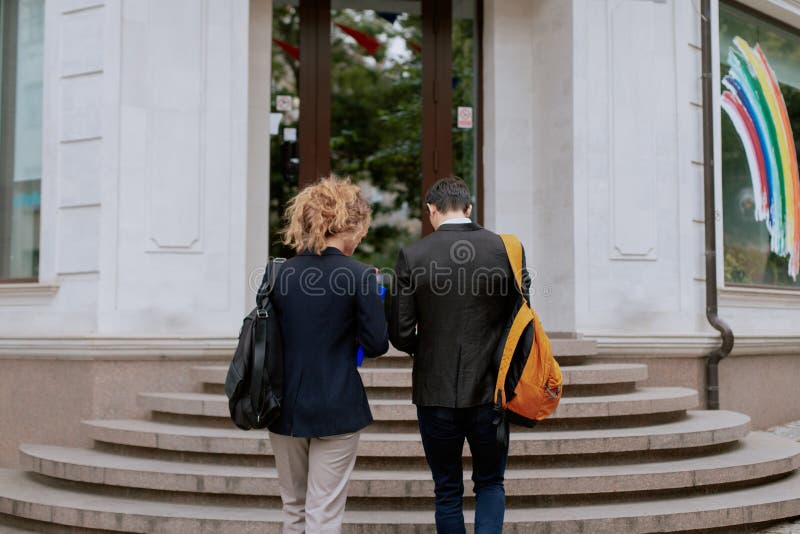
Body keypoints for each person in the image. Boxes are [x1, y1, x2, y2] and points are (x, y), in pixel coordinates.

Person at [389, 177, 526, 534]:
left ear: (431, 211)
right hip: (492, 391)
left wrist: (430, 349)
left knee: (447, 489)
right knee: (491, 484)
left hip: (435, 392)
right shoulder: (506, 250)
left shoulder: (412, 255)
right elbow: (521, 322)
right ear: (469, 208)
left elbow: (401, 333)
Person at [267, 176, 389, 533]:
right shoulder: (362, 276)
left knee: (294, 509)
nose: (363, 236)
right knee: (324, 513)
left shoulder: (279, 275)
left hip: (283, 404)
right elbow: (378, 344)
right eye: (362, 228)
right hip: (338, 405)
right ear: (348, 225)